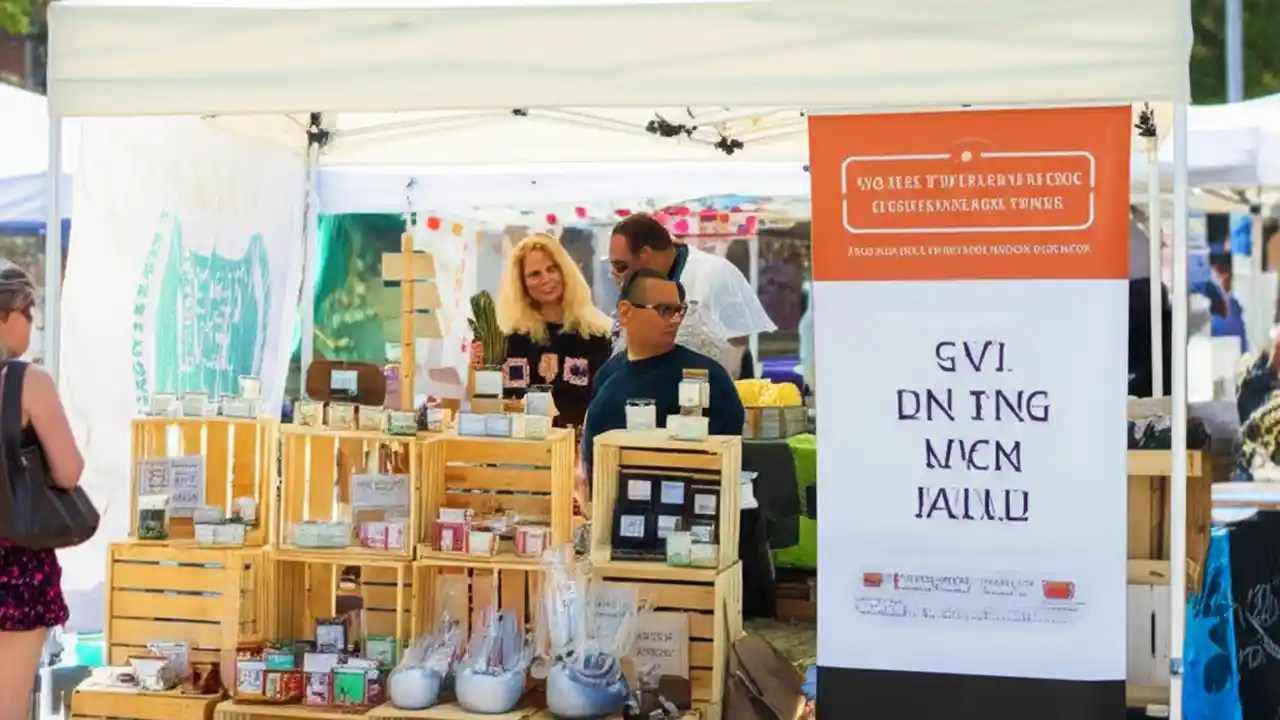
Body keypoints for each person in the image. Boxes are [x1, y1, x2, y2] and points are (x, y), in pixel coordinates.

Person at [0, 261, 82, 720]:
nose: (31, 324)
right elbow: (69, 470)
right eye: (28, 312)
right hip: (14, 562)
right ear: (4, 314)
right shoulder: (27, 382)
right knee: (8, 705)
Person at [582, 269, 745, 476]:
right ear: (626, 311)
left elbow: (725, 457)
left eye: (679, 311)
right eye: (664, 310)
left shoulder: (707, 377)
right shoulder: (607, 373)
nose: (675, 320)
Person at [607, 214, 775, 372]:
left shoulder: (715, 275)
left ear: (645, 254)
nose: (615, 276)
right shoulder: (637, 288)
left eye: (621, 267)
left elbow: (737, 354)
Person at [496, 233, 613, 432]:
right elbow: (503, 402)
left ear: (564, 271)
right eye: (535, 274)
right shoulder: (511, 340)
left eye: (551, 269)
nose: (546, 279)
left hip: (581, 442)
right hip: (525, 443)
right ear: (522, 283)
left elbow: (604, 402)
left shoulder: (597, 335)